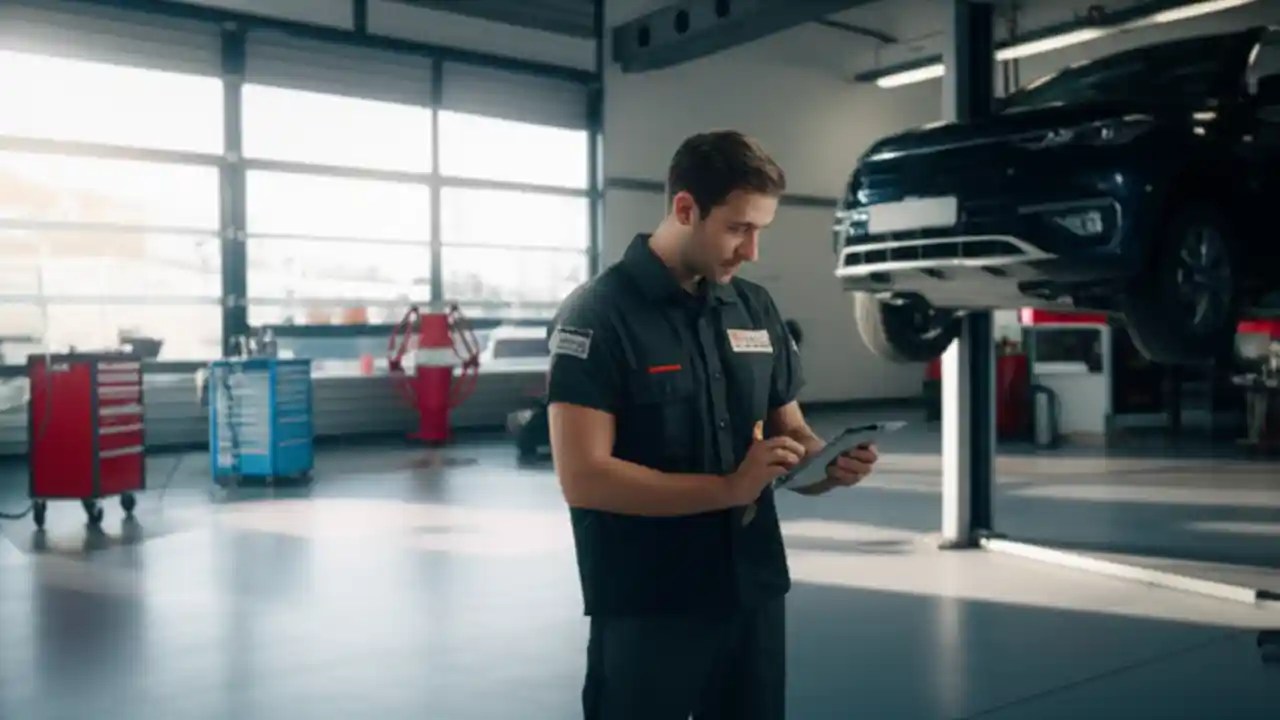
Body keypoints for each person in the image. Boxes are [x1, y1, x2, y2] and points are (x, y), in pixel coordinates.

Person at [546, 130, 881, 720]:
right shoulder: (598, 315)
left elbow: (791, 431)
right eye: (737, 228)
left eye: (760, 231)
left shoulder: (753, 306)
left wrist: (826, 466)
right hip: (650, 605)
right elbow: (585, 478)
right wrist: (728, 489)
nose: (751, 250)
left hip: (750, 592)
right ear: (684, 208)